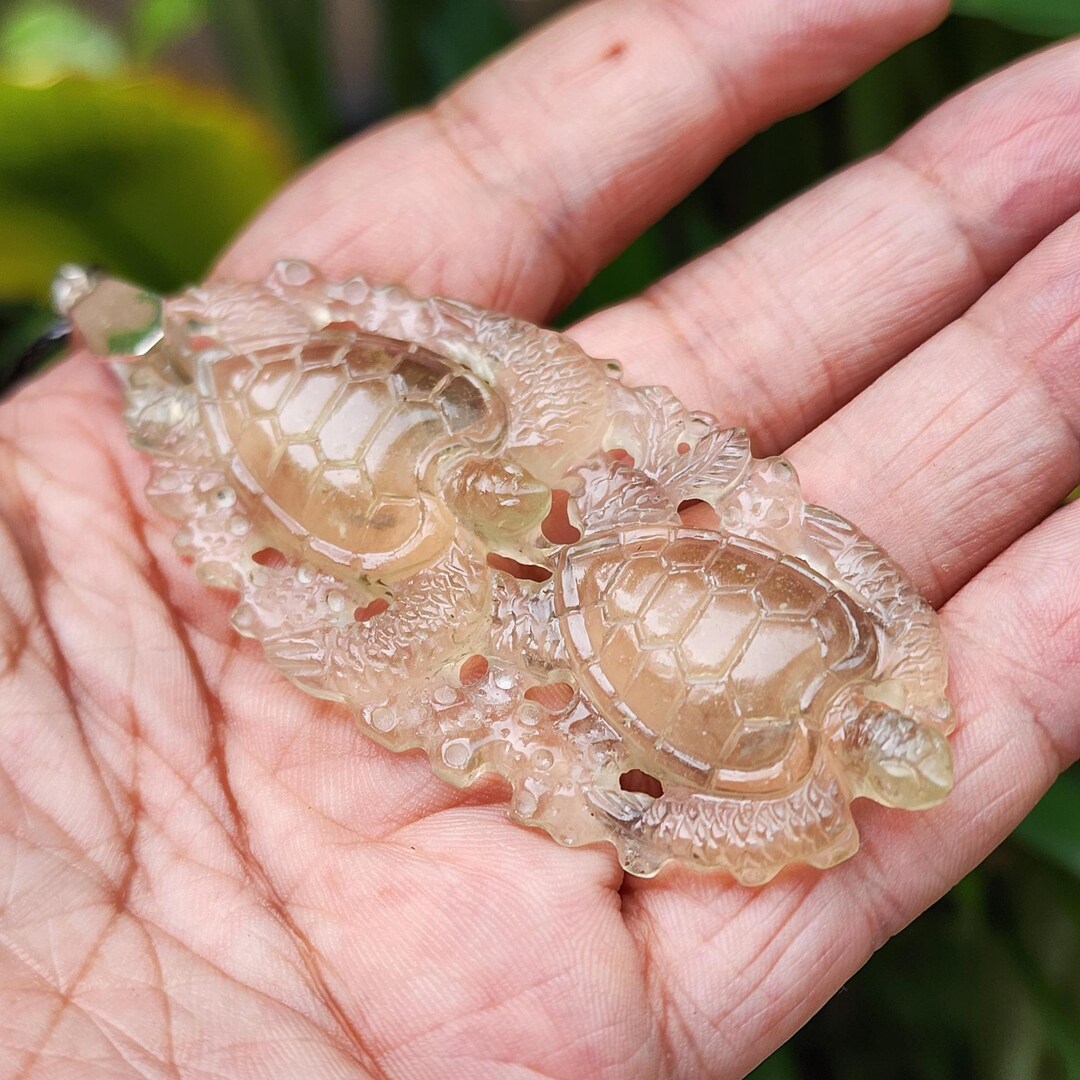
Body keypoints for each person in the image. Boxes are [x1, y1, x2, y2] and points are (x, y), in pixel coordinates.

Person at [1, 0, 1078, 1075]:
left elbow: (667, 797)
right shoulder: (498, 504)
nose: (520, 504)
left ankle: (125, 337)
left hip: (596, 598)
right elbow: (403, 609)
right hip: (330, 434)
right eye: (903, 746)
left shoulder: (814, 737)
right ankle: (137, 345)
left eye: (894, 755)